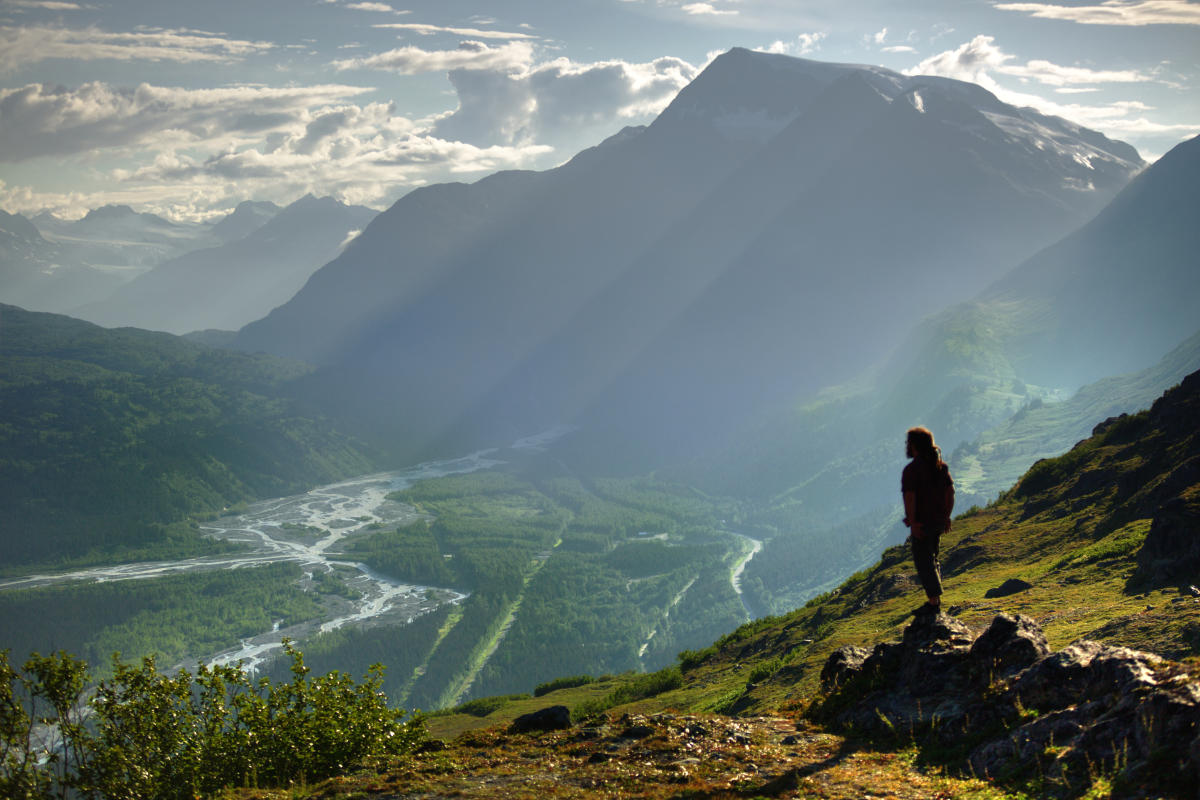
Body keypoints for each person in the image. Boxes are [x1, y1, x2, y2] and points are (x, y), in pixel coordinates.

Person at [901, 426, 954, 615]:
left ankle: (933, 602)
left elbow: (910, 497)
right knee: (933, 557)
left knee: (924, 561)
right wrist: (947, 516)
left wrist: (913, 522)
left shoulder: (912, 470)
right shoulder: (940, 466)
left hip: (923, 523)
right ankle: (936, 600)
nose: (906, 446)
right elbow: (950, 492)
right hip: (939, 520)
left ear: (915, 445)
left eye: (908, 442)